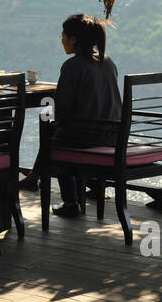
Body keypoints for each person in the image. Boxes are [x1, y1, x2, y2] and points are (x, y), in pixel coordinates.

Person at [45, 13, 122, 219]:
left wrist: (48, 113)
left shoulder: (72, 66)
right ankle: (91, 188)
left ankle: (71, 201)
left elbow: (61, 110)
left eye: (63, 35)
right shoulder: (107, 62)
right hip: (112, 136)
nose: (62, 40)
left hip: (87, 138)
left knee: (53, 139)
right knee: (59, 133)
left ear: (74, 40)